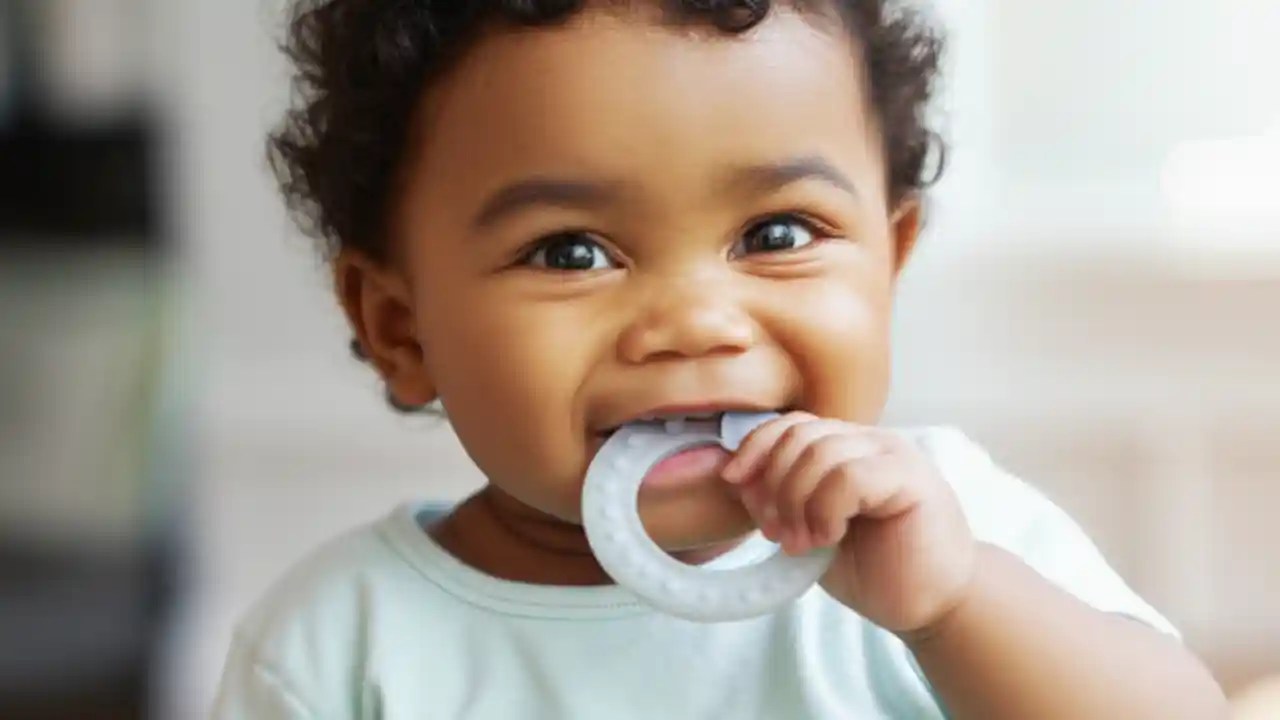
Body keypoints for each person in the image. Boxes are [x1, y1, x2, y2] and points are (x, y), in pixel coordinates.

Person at [212, 1, 1227, 717]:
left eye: (777, 235)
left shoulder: (950, 531)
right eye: (571, 251)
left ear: (888, 262)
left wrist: (952, 605)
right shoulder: (339, 646)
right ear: (401, 328)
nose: (697, 322)